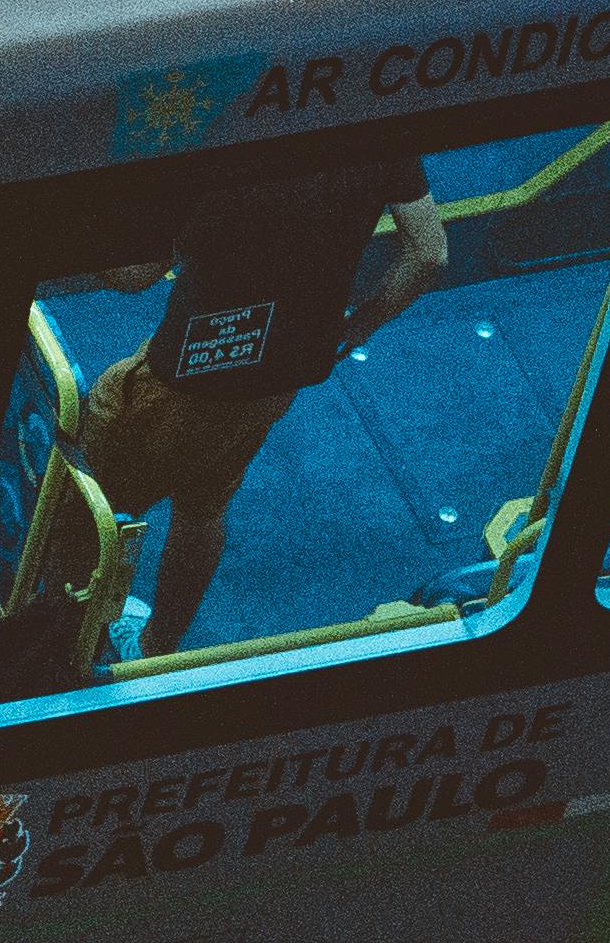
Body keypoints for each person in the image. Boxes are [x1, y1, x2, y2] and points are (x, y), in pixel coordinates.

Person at [59, 157, 450, 652]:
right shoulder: (376, 131)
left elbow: (134, 274)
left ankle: (67, 634)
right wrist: (357, 327)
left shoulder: (219, 142)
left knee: (89, 504)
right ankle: (158, 644)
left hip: (185, 373)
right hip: (282, 368)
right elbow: (429, 253)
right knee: (202, 505)